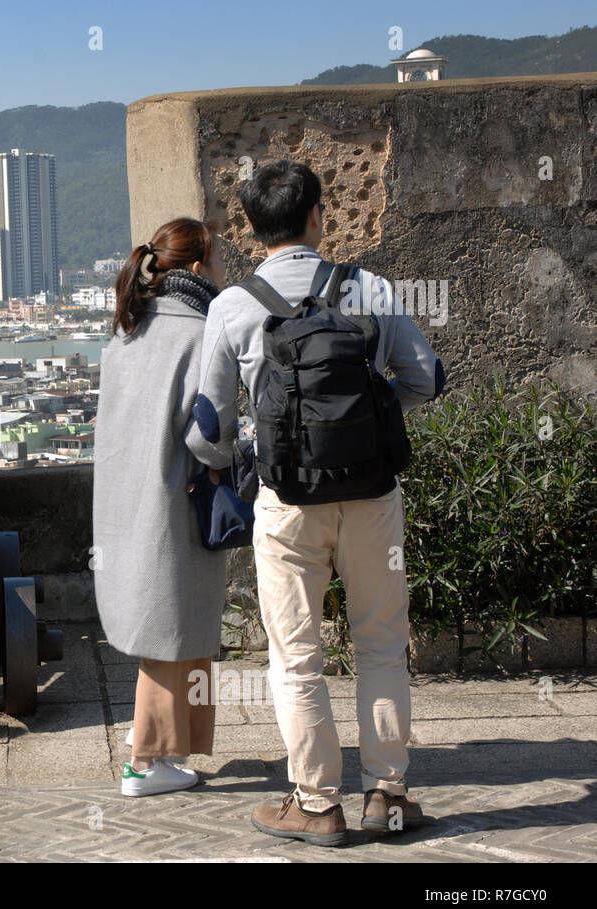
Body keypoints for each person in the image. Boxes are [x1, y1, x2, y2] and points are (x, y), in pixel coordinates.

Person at [193, 159, 444, 845]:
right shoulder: (371, 289)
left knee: (296, 656)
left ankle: (316, 803)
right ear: (317, 216)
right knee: (383, 644)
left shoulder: (234, 306)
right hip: (372, 495)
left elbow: (207, 428)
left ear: (250, 227)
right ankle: (388, 797)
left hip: (287, 503)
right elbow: (426, 378)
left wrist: (241, 455)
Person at [93, 217, 230, 797]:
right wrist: (235, 452)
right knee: (172, 628)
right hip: (179, 497)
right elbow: (207, 433)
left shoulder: (129, 329)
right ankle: (144, 761)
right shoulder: (201, 333)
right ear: (197, 268)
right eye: (220, 260)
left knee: (172, 625)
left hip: (128, 499)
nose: (226, 271)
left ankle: (169, 754)